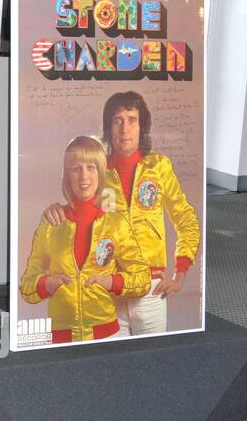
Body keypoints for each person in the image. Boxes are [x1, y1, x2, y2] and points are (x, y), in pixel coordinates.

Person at [39, 92, 200, 335]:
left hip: (150, 288)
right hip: (105, 289)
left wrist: (180, 271)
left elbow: (185, 219)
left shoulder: (159, 167)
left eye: (132, 120)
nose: (125, 129)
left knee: (150, 360)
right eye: (117, 120)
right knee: (110, 362)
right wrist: (54, 210)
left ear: (142, 126)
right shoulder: (97, 170)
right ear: (108, 128)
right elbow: (76, 216)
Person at [20, 136, 151, 344]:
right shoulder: (51, 223)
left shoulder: (115, 223)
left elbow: (143, 279)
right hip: (59, 338)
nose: (84, 176)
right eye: (76, 168)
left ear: (100, 173)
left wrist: (112, 282)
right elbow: (26, 286)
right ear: (67, 176)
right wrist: (46, 284)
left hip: (107, 335)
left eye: (91, 167)